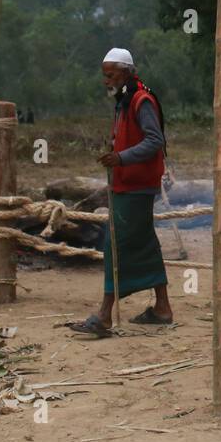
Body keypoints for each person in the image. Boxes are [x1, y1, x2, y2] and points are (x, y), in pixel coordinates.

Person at [70, 48, 173, 337]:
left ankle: (104, 316)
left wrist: (122, 158)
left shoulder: (141, 100)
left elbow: (155, 140)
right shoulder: (124, 100)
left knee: (115, 245)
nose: (106, 80)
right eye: (104, 75)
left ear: (127, 72)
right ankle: (162, 308)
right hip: (127, 184)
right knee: (143, 243)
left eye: (111, 74)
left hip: (137, 185)